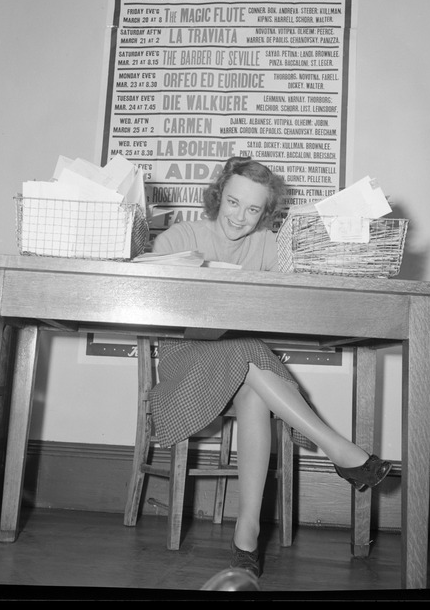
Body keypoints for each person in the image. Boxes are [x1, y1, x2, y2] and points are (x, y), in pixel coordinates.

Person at [149, 156, 391, 578]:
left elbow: (296, 298)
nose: (240, 217)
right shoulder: (179, 237)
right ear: (217, 196)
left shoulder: (267, 245)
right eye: (233, 202)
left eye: (253, 209)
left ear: (265, 213)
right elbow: (154, 302)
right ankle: (341, 452)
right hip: (183, 359)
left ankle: (247, 534)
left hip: (239, 363)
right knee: (248, 350)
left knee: (250, 381)